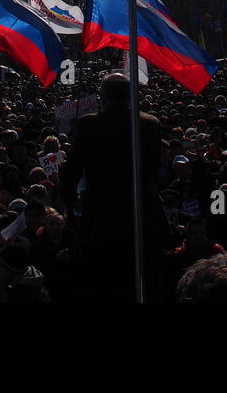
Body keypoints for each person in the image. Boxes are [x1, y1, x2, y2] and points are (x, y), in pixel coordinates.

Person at [60, 73, 166, 302]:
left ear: (102, 97)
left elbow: (72, 173)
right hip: (143, 216)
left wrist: (70, 210)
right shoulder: (150, 123)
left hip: (102, 219)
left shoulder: (88, 125)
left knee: (103, 286)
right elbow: (157, 166)